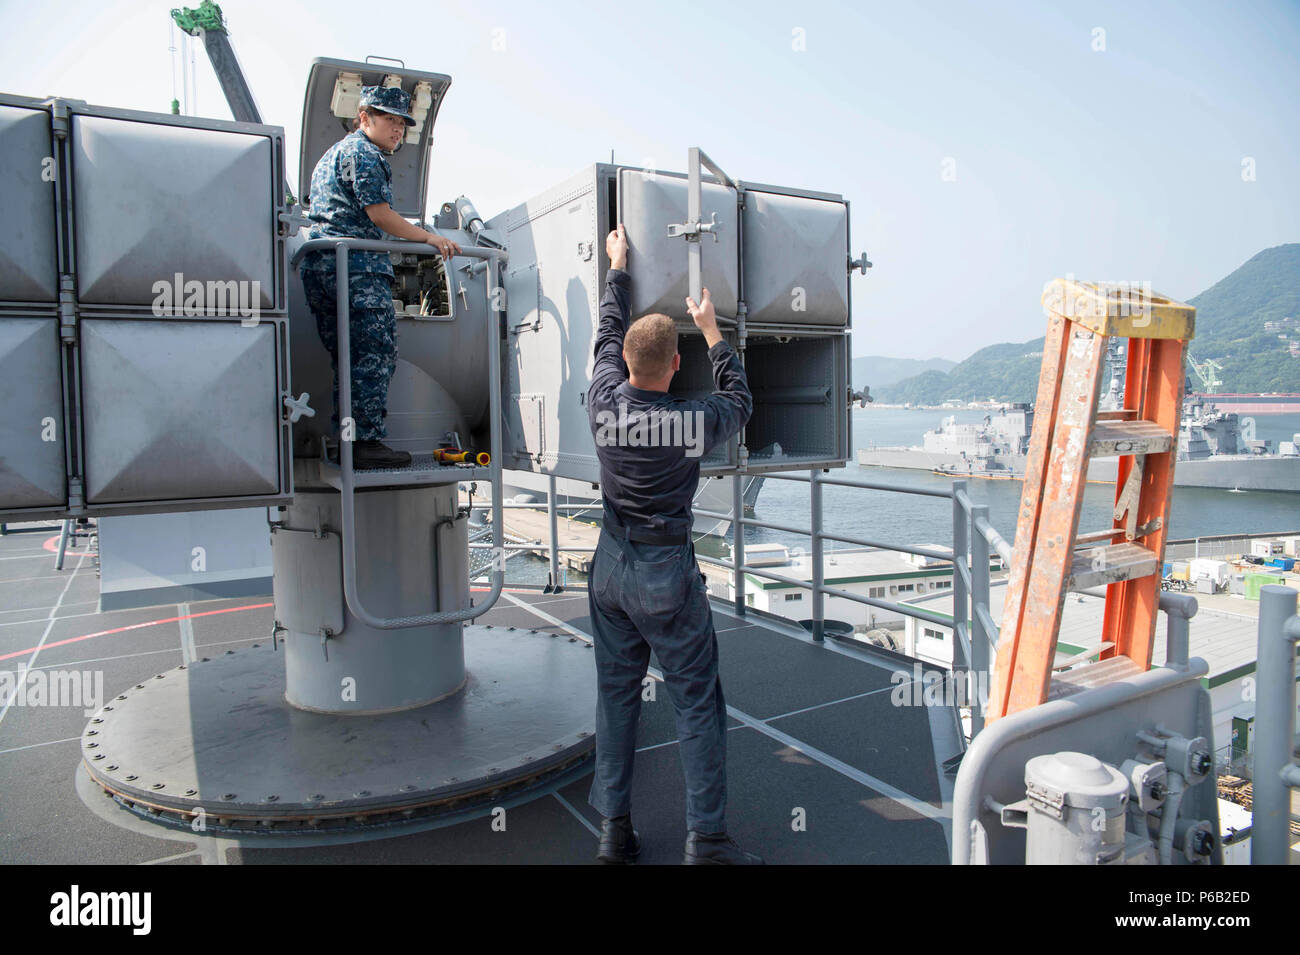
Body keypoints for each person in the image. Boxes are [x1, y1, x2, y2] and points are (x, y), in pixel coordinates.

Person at [586, 223, 762, 865]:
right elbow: (740, 401)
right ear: (676, 364)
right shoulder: (689, 424)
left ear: (627, 365)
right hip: (665, 573)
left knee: (616, 699)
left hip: (609, 568)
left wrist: (618, 267)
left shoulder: (601, 404)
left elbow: (608, 333)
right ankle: (708, 842)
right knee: (695, 703)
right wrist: (712, 328)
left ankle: (613, 833)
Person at [299, 85, 460, 469]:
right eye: (388, 119)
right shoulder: (366, 154)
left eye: (402, 123)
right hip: (355, 269)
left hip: (325, 265)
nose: (397, 130)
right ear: (364, 117)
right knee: (373, 355)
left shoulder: (333, 155)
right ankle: (365, 443)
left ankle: (350, 440)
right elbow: (379, 215)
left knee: (349, 358)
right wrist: (430, 238)